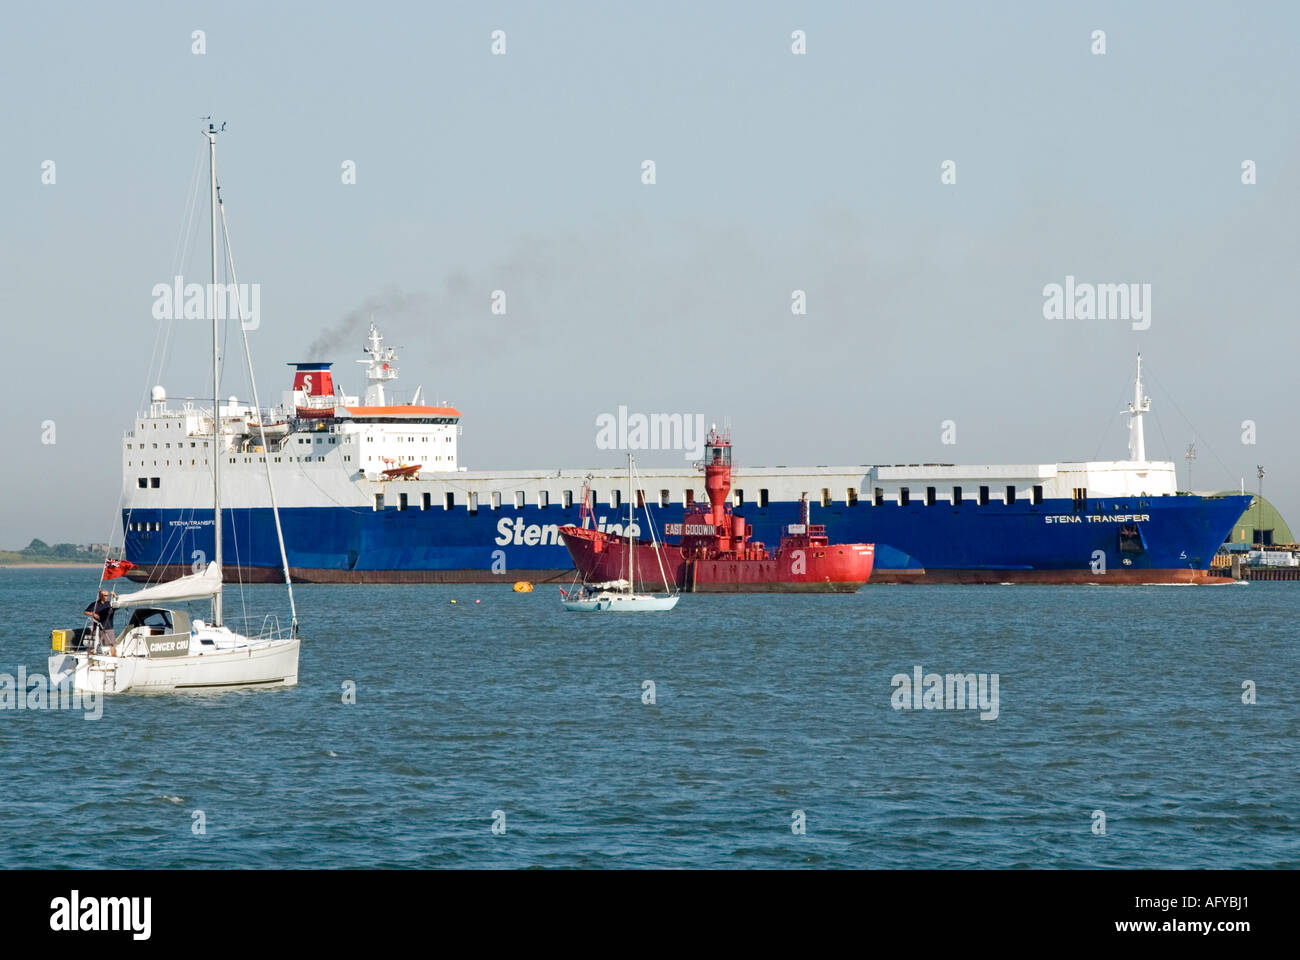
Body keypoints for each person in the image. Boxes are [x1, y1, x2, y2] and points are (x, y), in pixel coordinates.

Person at [83, 589, 117, 655]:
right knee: (93, 646)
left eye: (107, 595)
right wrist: (93, 614)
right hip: (97, 628)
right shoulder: (95, 604)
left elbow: (118, 602)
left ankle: (114, 659)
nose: (106, 597)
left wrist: (115, 596)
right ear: (100, 596)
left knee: (112, 646)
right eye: (105, 595)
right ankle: (90, 658)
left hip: (108, 628)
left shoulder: (110, 604)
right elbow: (85, 612)